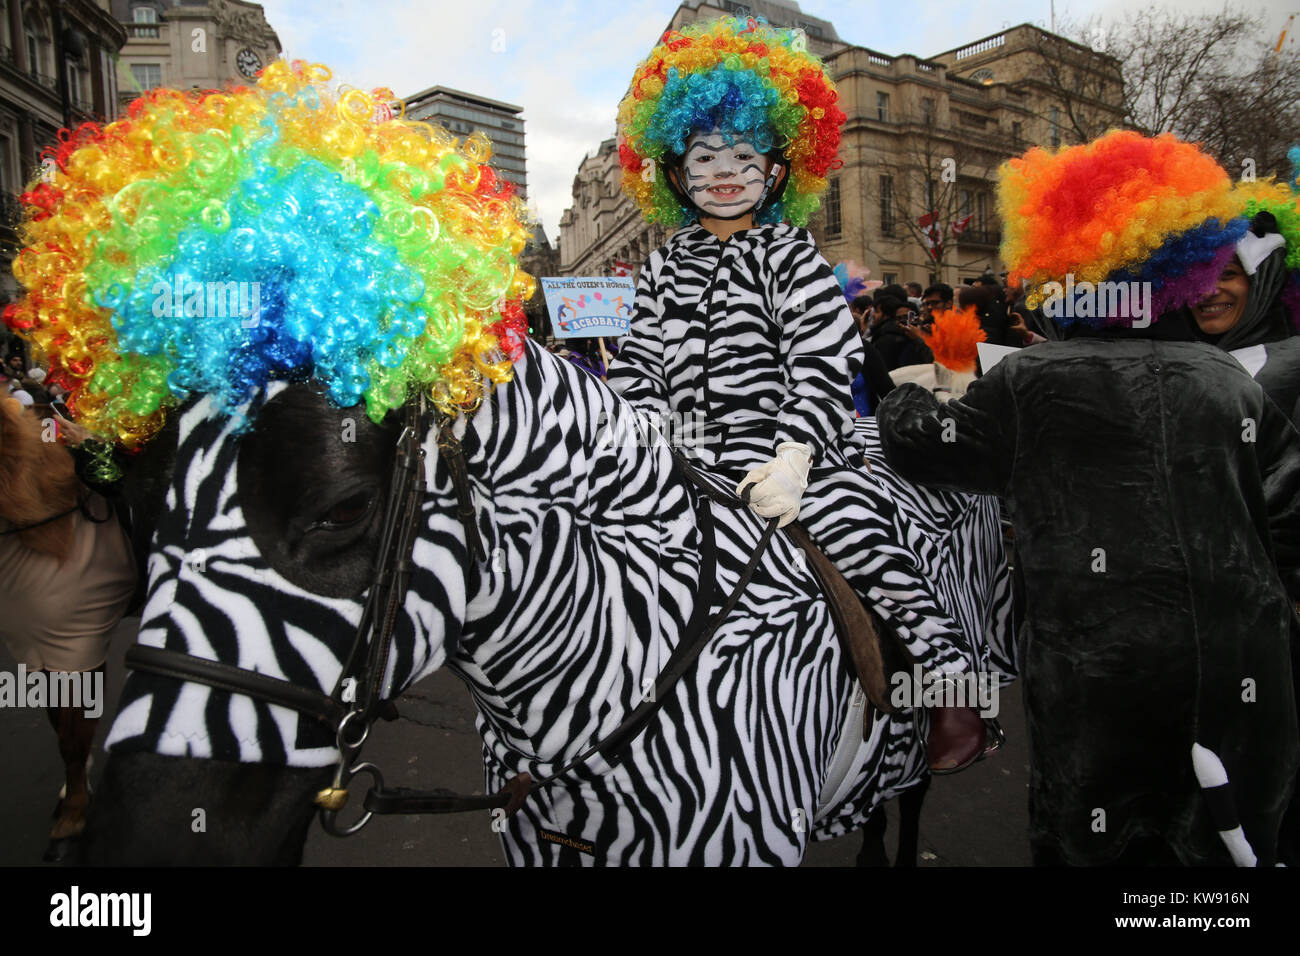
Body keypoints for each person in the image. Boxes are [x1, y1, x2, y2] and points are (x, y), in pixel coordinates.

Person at [878, 129, 1300, 866]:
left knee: (1091, 830)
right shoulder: (1225, 379)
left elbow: (924, 445)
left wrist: (916, 385)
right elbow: (1288, 510)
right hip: (1236, 653)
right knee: (1220, 839)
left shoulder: (1034, 380)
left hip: (1096, 662)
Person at [609, 15, 989, 769]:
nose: (724, 169)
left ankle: (950, 683)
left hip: (790, 455)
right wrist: (645, 438)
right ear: (675, 171)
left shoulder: (793, 254)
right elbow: (636, 367)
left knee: (850, 521)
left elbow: (822, 362)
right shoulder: (659, 267)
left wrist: (793, 458)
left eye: (745, 154)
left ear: (779, 168)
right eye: (704, 153)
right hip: (685, 458)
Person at [0, 398, 137, 861]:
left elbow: (111, 475)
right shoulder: (27, 414)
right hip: (19, 568)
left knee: (72, 678)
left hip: (101, 457)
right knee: (42, 681)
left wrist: (87, 442)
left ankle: (77, 788)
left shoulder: (59, 413)